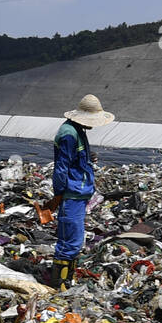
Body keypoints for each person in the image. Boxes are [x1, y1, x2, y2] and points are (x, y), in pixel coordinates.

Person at [43, 94, 115, 289]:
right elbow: (61, 167)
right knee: (70, 242)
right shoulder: (68, 133)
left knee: (74, 240)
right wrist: (59, 195)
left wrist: (86, 157)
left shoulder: (77, 130)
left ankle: (67, 280)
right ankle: (60, 285)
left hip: (78, 194)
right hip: (71, 195)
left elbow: (74, 159)